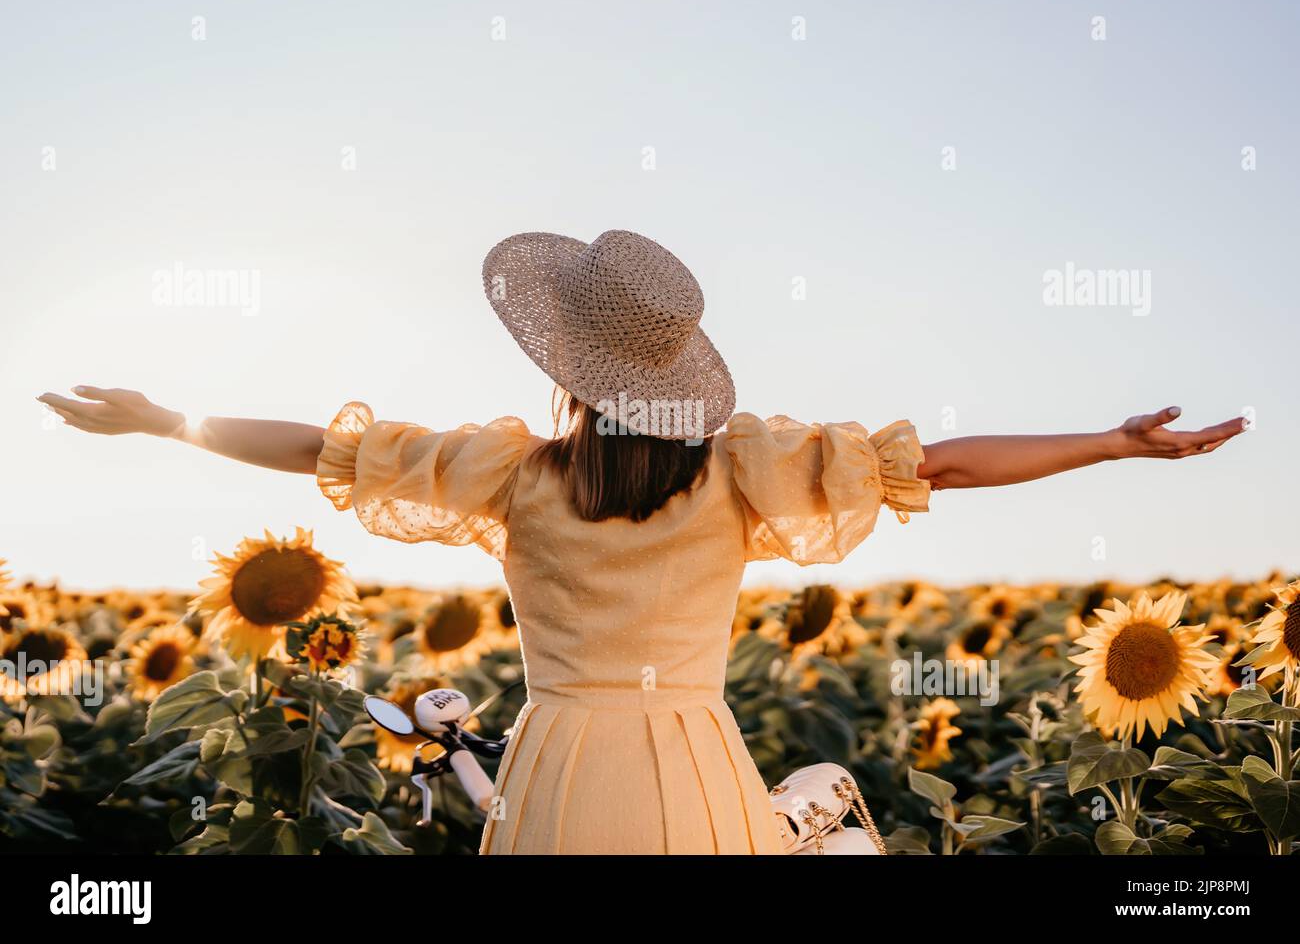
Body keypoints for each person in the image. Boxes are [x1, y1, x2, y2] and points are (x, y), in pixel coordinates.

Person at [39, 229, 1245, 854]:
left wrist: (165, 421)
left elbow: (318, 448)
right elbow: (945, 463)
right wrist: (1109, 444)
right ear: (677, 373)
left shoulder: (509, 473)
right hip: (696, 754)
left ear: (565, 363)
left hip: (559, 759)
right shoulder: (740, 471)